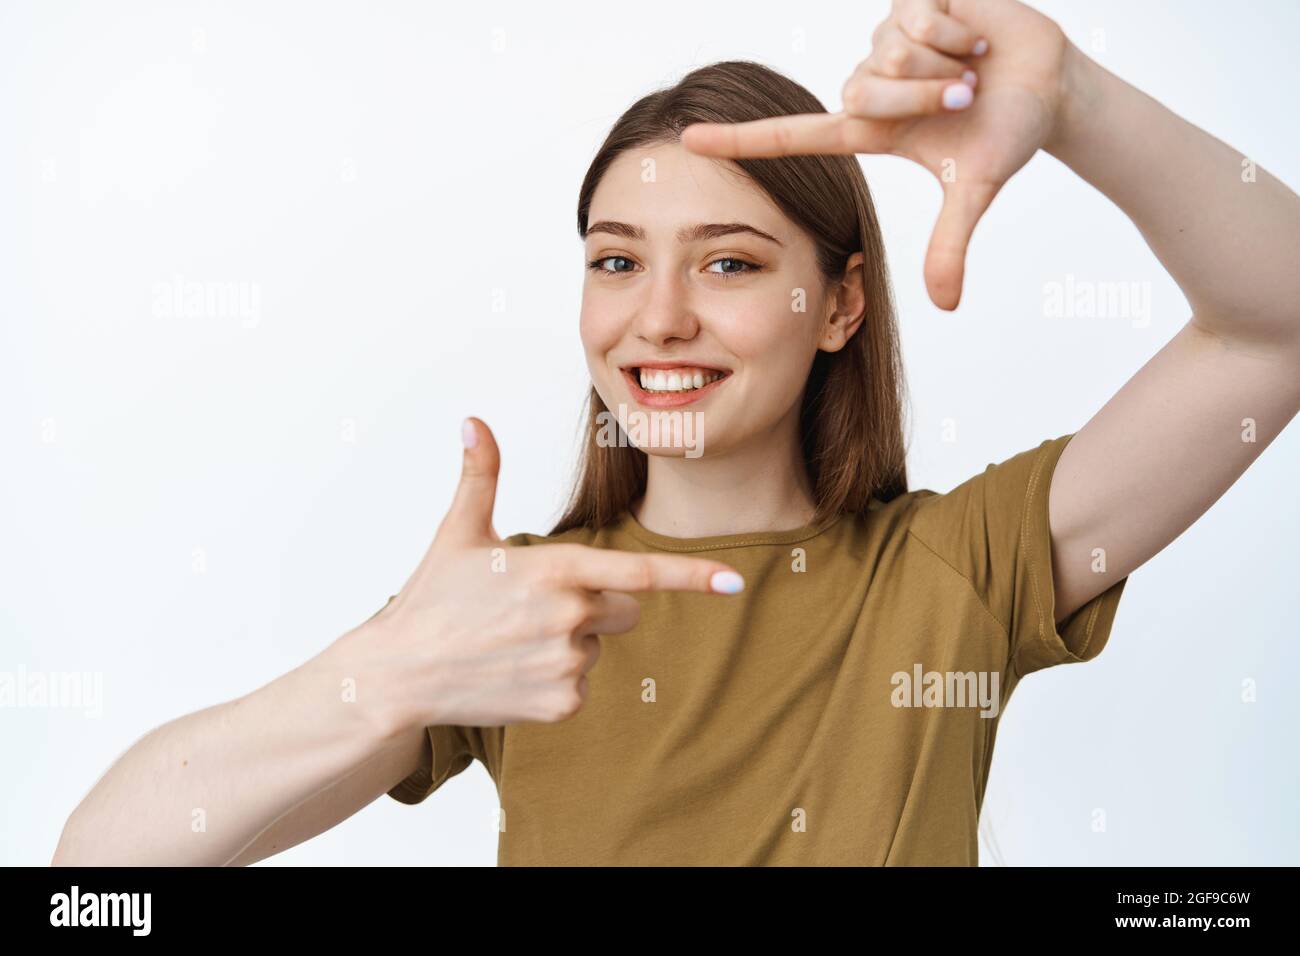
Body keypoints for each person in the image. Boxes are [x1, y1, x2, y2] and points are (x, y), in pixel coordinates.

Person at [53, 0, 1300, 866]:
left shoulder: (958, 567)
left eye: (729, 262)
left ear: (841, 304)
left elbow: (1274, 329)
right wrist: (393, 669)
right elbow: (98, 879)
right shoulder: (510, 620)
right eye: (615, 259)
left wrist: (1075, 100)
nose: (658, 318)